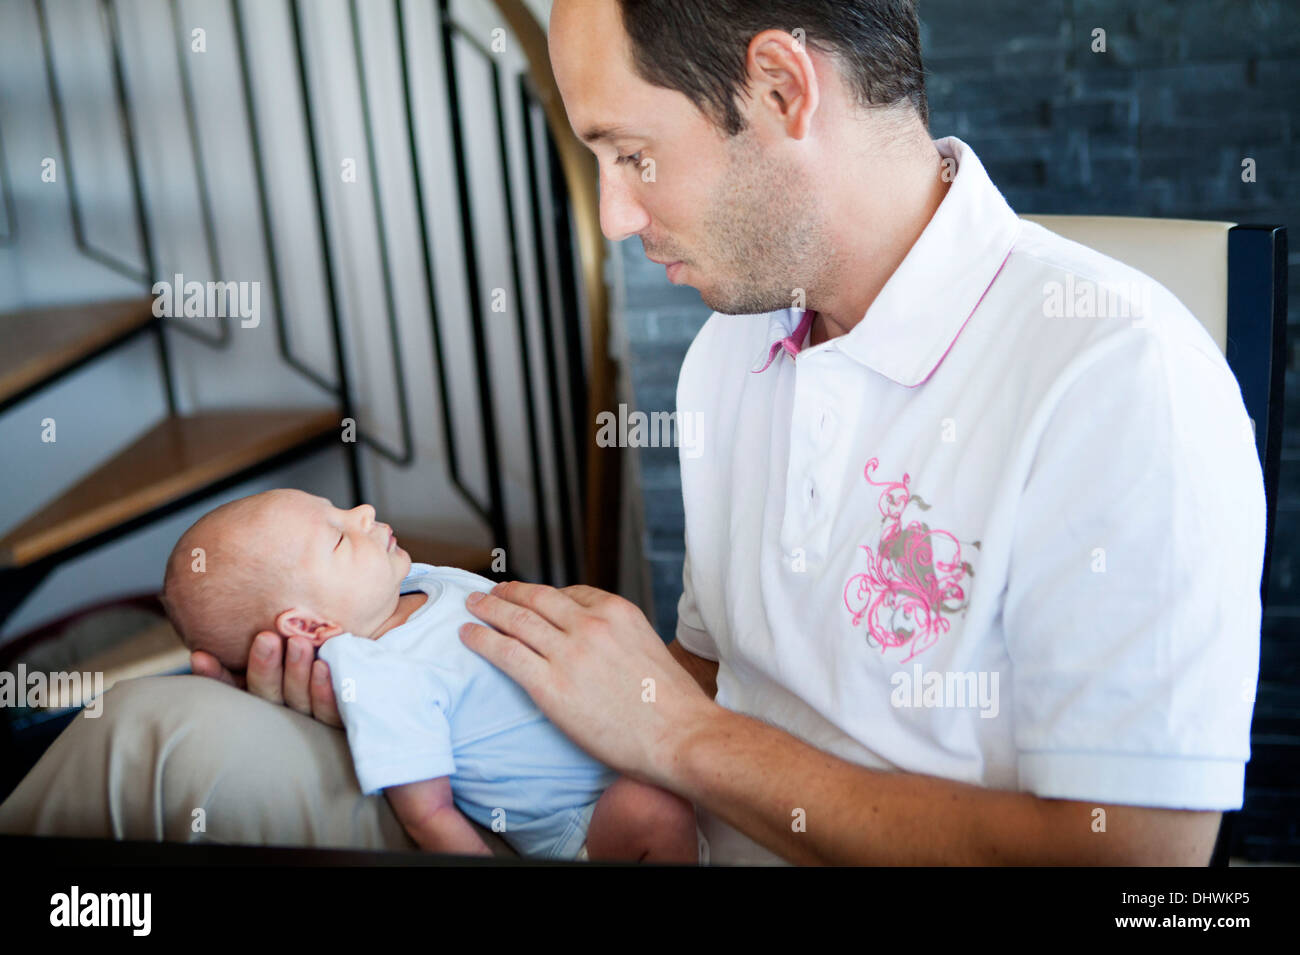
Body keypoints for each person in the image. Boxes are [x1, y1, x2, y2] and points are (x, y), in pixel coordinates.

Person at [0, 0, 1264, 866]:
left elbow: (1140, 858)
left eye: (631, 153)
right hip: (637, 822)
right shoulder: (735, 351)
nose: (611, 217)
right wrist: (417, 682)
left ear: (779, 86)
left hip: (699, 807)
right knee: (161, 741)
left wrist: (683, 734)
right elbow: (741, 681)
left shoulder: (1115, 372)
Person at [157, 488, 698, 862]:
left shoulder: (415, 581)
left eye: (341, 510)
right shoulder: (375, 673)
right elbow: (427, 813)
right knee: (653, 808)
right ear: (310, 624)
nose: (363, 512)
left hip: (626, 743)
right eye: (341, 537)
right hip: (583, 819)